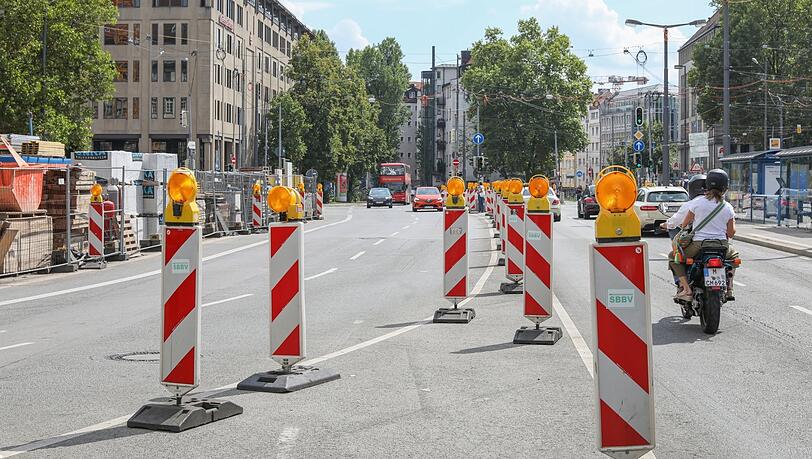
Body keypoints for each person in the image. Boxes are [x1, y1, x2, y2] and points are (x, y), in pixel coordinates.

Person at [668, 169, 738, 302]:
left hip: (699, 246)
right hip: (721, 246)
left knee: (673, 256)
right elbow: (731, 233)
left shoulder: (697, 203)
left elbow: (684, 225)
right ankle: (729, 287)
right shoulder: (728, 207)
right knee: (734, 257)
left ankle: (686, 290)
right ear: (725, 187)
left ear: (707, 185)